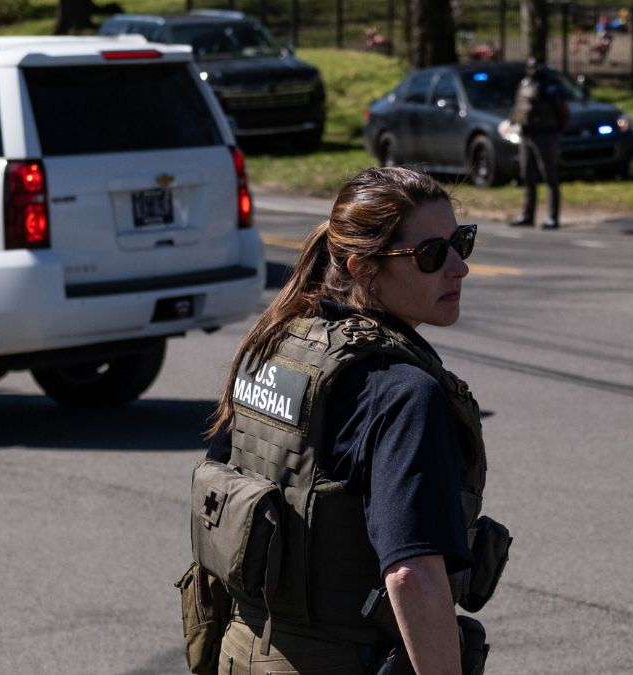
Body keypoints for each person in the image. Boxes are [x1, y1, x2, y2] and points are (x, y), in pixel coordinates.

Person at [194, 167, 508, 674]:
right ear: (363, 268)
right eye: (431, 254)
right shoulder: (404, 393)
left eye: (460, 242)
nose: (458, 268)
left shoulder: (276, 343)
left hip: (246, 656)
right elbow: (413, 574)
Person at [507, 58, 569, 229]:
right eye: (530, 66)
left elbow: (563, 110)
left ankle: (553, 217)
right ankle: (527, 215)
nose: (532, 70)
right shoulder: (524, 84)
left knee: (549, 177)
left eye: (535, 67)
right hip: (526, 134)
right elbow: (518, 108)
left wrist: (558, 131)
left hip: (545, 135)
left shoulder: (550, 86)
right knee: (527, 176)